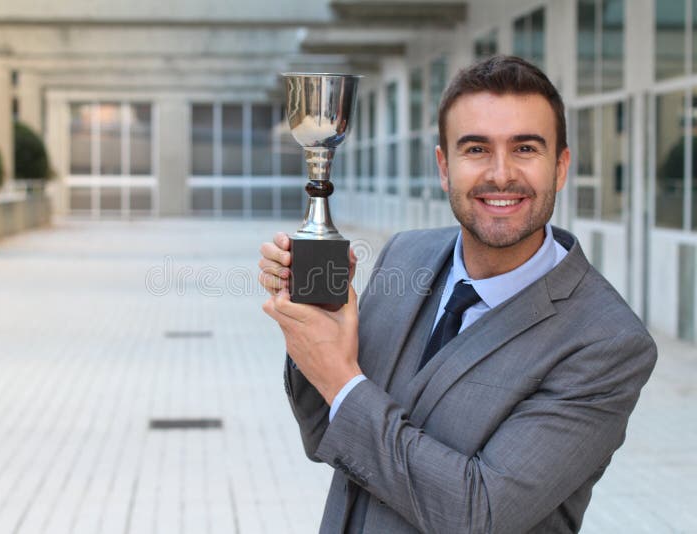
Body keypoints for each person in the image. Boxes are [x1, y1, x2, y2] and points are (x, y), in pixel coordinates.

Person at [258, 55, 656, 534]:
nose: (501, 174)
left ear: (561, 166)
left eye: (526, 148)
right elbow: (326, 431)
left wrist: (342, 379)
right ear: (444, 167)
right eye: (476, 149)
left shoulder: (606, 342)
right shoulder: (405, 255)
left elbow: (479, 513)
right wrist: (314, 327)